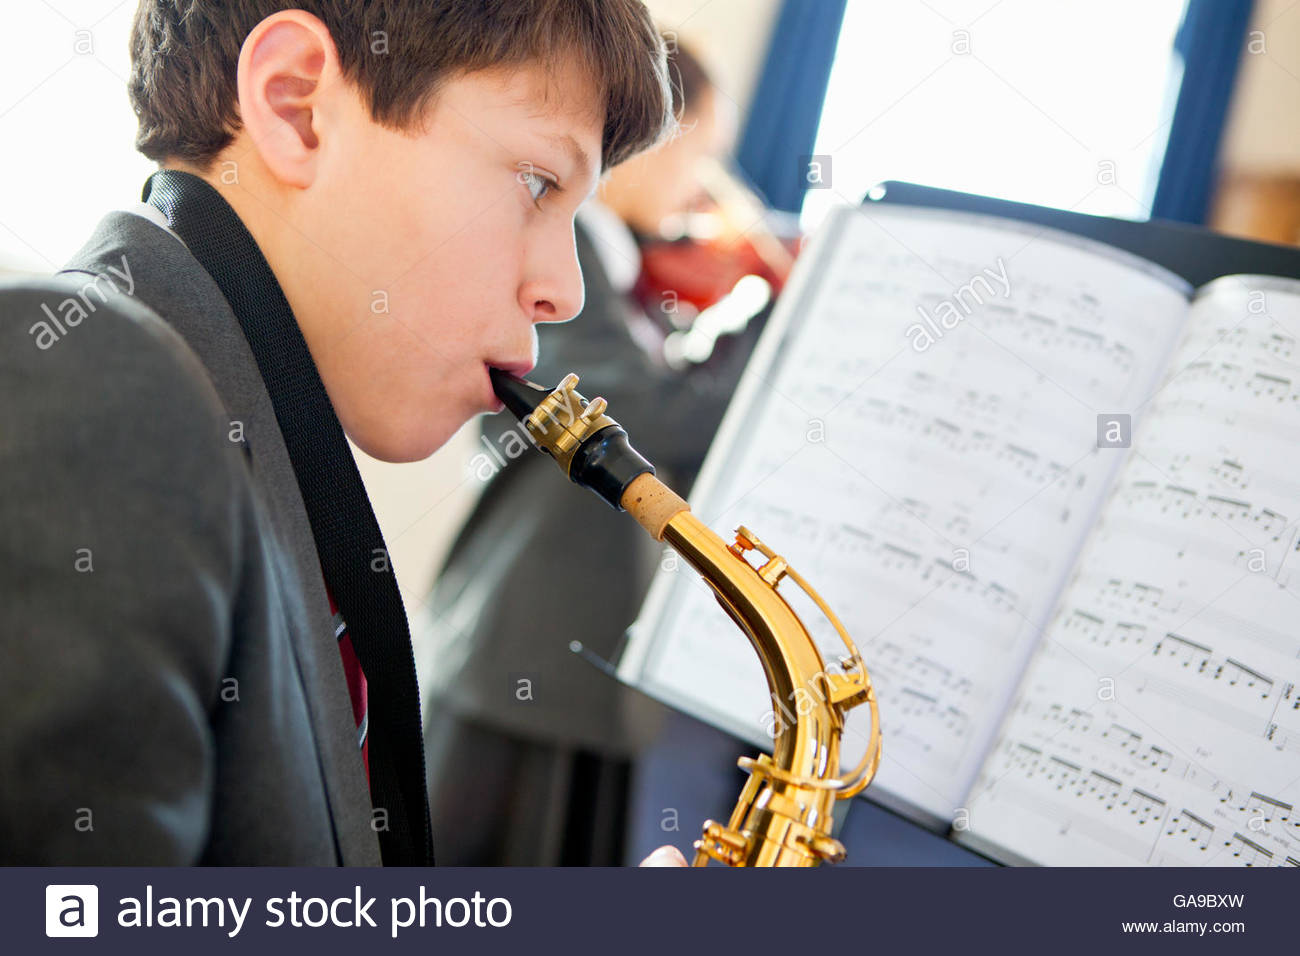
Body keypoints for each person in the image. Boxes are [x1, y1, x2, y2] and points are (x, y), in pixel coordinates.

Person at [0, 0, 687, 867]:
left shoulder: (232, 417)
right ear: (296, 106)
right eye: (538, 182)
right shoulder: (82, 382)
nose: (566, 290)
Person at [423, 42, 766, 865]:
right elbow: (649, 413)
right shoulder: (563, 255)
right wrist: (768, 317)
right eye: (701, 152)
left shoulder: (625, 269)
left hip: (572, 674)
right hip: (522, 660)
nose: (707, 180)